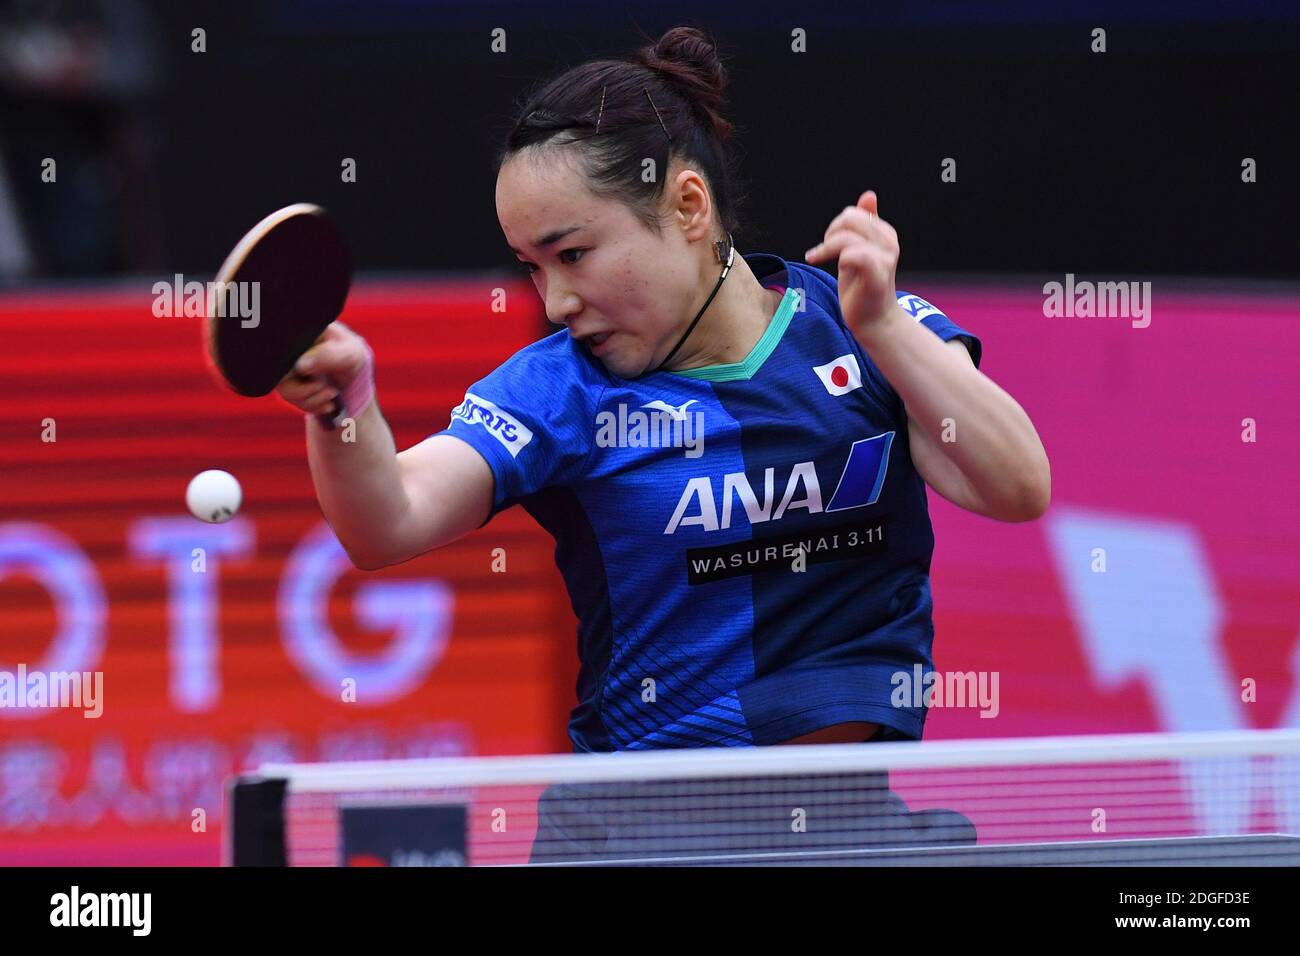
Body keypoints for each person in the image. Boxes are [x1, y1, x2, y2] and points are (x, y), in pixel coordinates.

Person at [278, 27, 1050, 862]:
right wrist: (345, 407)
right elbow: (386, 520)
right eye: (531, 267)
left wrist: (884, 328)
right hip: (640, 839)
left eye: (573, 253)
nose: (556, 300)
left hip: (847, 833)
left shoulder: (858, 326)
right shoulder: (563, 389)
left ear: (687, 206)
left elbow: (1016, 486)